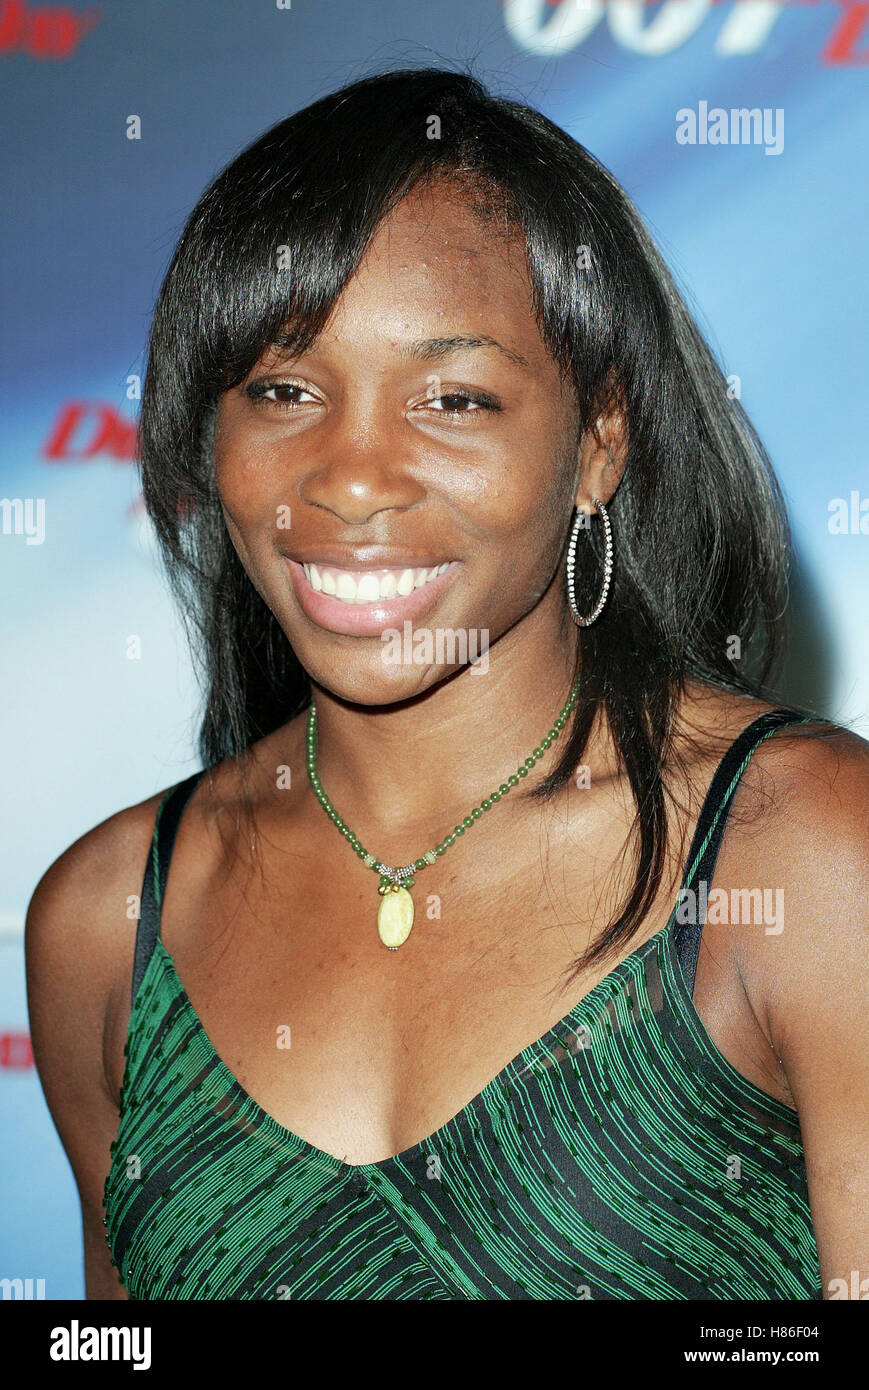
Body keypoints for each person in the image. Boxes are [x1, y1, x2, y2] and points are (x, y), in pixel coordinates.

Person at [26, 67, 869, 1301]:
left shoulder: (807, 853)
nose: (350, 476)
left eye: (452, 398)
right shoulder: (106, 919)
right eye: (283, 390)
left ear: (598, 442)